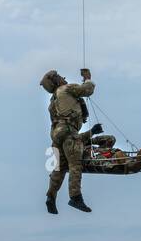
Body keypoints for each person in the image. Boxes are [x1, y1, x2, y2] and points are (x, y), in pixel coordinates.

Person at [41, 68, 100, 213]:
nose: (63, 77)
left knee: (59, 168)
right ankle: (75, 197)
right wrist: (88, 79)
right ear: (55, 80)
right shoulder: (66, 89)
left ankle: (51, 197)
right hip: (68, 132)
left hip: (56, 136)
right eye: (59, 76)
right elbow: (87, 90)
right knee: (75, 164)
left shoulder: (52, 101)